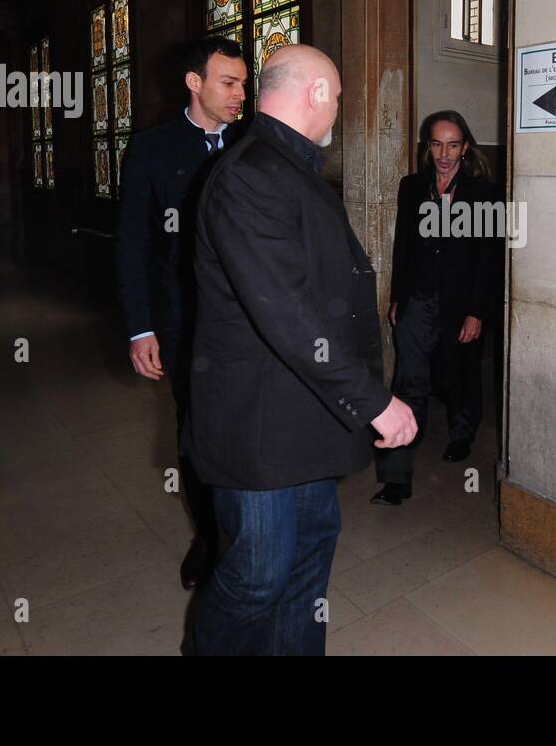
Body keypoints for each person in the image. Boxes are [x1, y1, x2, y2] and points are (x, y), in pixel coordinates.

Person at [183, 43, 418, 656]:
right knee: (257, 575)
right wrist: (374, 400)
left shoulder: (290, 167)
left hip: (306, 415)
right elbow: (287, 314)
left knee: (309, 558)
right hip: (258, 426)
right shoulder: (250, 175)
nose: (337, 108)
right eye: (336, 97)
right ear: (315, 94)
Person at [115, 36, 247, 590]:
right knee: (195, 431)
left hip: (251, 320)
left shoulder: (254, 141)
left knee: (248, 424)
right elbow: (133, 244)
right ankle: (208, 538)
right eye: (228, 83)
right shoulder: (152, 149)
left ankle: (248, 529)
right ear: (194, 82)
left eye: (244, 84)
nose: (240, 94)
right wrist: (141, 327)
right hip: (184, 322)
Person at [372, 111, 500, 506]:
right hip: (418, 301)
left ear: (465, 148)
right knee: (408, 381)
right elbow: (404, 246)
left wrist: (477, 312)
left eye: (452, 145)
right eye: (436, 144)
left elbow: (489, 258)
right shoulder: (412, 187)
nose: (444, 154)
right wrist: (398, 296)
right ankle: (397, 477)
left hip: (461, 304)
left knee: (458, 374)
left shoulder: (483, 192)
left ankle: (462, 433)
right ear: (427, 147)